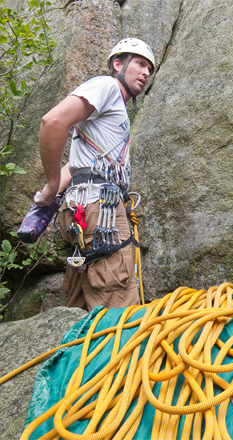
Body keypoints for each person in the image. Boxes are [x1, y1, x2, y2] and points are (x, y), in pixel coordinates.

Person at [34, 38, 155, 311]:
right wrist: (53, 184)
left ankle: (81, 352)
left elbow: (78, 165)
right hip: (102, 211)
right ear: (117, 64)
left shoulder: (112, 109)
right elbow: (52, 121)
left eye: (150, 68)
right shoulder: (107, 85)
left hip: (82, 208)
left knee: (78, 307)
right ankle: (120, 352)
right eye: (139, 63)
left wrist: (48, 195)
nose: (146, 73)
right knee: (118, 308)